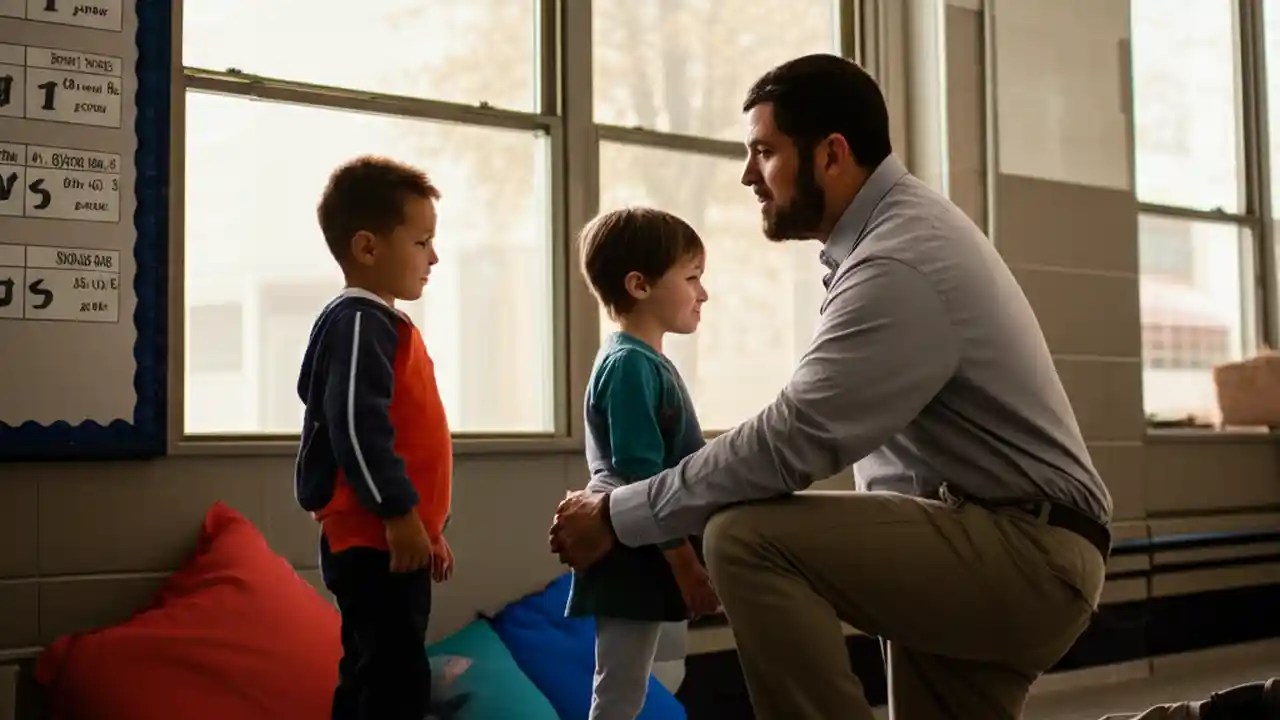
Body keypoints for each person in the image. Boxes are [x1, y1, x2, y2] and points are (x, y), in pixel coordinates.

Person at [550, 53, 1114, 720]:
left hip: (1022, 553)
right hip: (999, 543)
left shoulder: (899, 260)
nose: (747, 176)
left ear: (831, 154)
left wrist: (618, 515)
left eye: (764, 152)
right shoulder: (888, 241)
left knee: (745, 535)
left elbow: (793, 439)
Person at [294, 155, 456, 720]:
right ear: (368, 248)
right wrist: (398, 515)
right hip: (373, 539)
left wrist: (426, 528)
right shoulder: (359, 322)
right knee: (392, 680)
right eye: (421, 242)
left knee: (375, 669)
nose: (433, 257)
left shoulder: (380, 323)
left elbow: (408, 439)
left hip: (393, 536)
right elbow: (357, 429)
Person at [569, 206, 721, 720]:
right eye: (692, 277)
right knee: (619, 688)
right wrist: (685, 564)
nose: (702, 293)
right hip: (635, 549)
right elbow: (643, 478)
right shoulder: (629, 365)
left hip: (652, 546)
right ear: (639, 285)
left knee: (648, 677)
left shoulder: (649, 361)